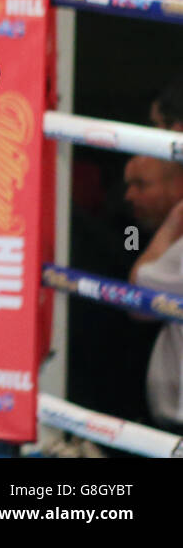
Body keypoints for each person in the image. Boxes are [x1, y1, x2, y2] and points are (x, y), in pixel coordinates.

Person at [127, 157, 183, 432]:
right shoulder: (128, 228)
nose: (129, 195)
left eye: (141, 185)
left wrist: (172, 224)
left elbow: (136, 296)